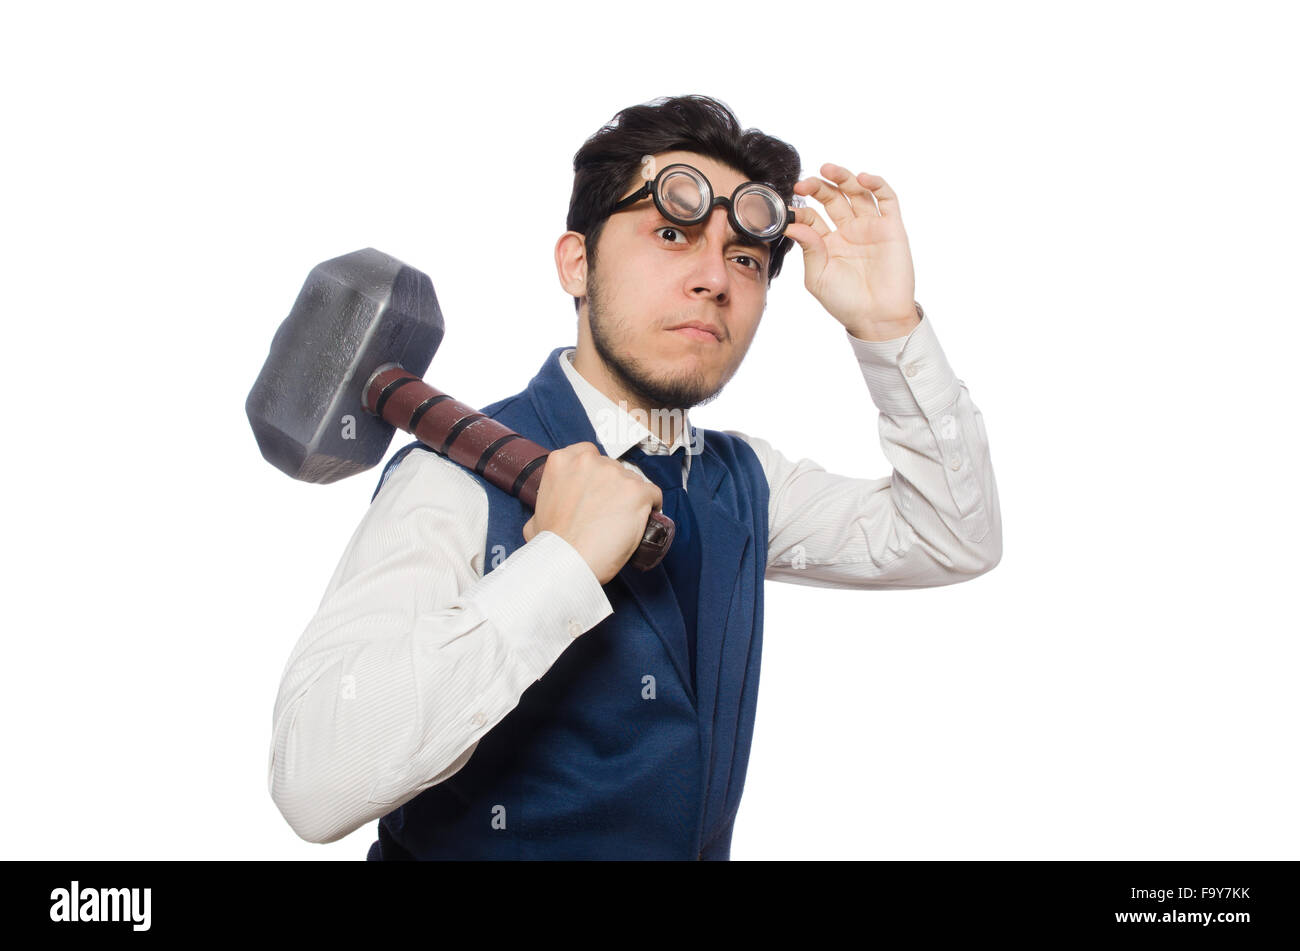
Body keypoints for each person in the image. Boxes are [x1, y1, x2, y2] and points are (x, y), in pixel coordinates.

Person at [267, 94, 1002, 860]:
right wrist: (561, 563)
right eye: (671, 234)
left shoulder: (748, 482)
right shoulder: (444, 485)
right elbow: (311, 781)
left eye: (745, 258)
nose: (715, 278)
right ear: (576, 263)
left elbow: (955, 535)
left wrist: (888, 325)